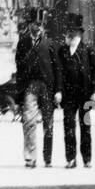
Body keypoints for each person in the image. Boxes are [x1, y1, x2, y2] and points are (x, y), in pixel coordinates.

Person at [15, 11, 63, 168]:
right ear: (30, 25)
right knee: (29, 122)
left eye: (41, 24)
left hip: (47, 88)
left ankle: (47, 157)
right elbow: (19, 70)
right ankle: (30, 157)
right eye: (36, 23)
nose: (39, 27)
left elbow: (57, 69)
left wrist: (58, 90)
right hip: (30, 86)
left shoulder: (50, 44)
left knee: (48, 124)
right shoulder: (22, 43)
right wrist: (18, 96)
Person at [57, 15, 95, 168]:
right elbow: (59, 73)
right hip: (69, 96)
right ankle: (70, 158)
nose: (72, 33)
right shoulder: (62, 50)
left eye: (75, 31)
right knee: (68, 127)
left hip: (87, 95)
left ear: (80, 33)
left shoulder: (89, 49)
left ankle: (87, 158)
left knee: (86, 127)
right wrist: (59, 91)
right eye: (70, 31)